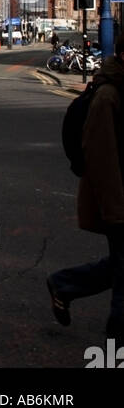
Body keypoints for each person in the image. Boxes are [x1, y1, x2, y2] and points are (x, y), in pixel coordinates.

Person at [47, 31, 124, 341]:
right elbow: (101, 159)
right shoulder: (109, 96)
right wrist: (116, 213)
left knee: (120, 265)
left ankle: (64, 285)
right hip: (118, 202)